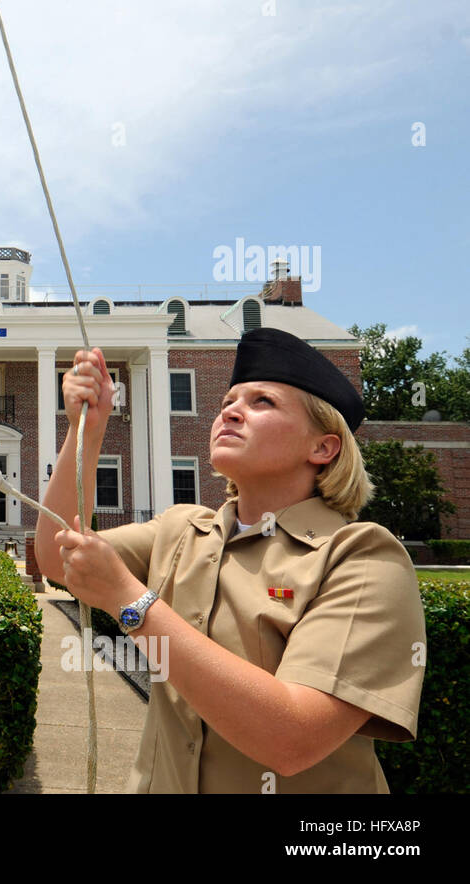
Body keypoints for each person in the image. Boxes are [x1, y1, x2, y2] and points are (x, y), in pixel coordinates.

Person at [34, 328, 426, 793]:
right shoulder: (182, 529)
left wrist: (129, 599)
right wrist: (85, 430)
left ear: (323, 447)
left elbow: (292, 739)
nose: (230, 412)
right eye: (227, 402)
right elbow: (58, 557)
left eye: (263, 402)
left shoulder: (361, 557)